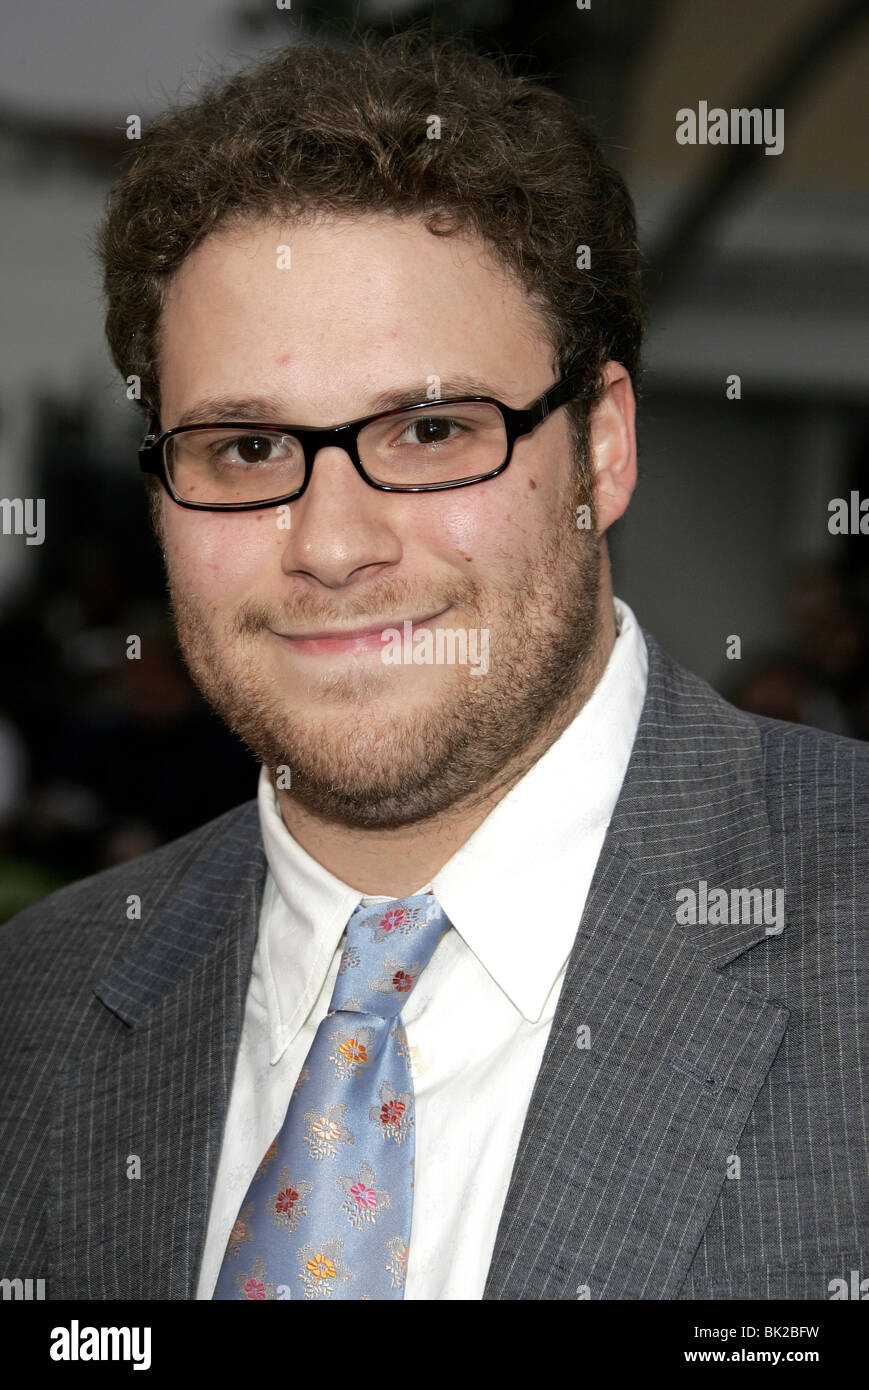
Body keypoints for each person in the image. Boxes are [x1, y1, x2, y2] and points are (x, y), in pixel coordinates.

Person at [0, 29, 865, 1303]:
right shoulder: (36, 1012)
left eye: (427, 429)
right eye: (244, 448)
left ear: (602, 449)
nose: (333, 543)